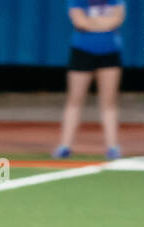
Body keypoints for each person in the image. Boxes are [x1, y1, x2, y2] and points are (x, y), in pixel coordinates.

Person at [53, 0, 126, 159]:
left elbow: (117, 19)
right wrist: (102, 24)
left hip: (110, 52)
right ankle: (65, 145)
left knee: (109, 101)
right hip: (82, 51)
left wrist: (93, 23)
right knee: (74, 99)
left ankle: (112, 146)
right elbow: (80, 22)